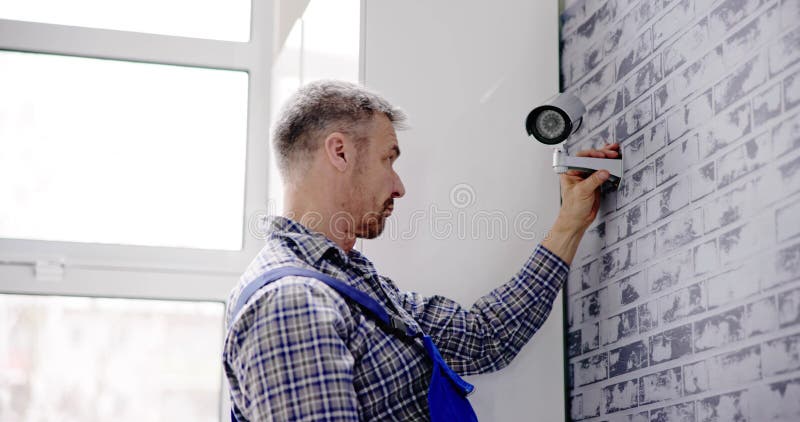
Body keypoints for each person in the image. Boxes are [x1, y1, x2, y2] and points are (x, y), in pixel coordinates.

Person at [222, 80, 620, 421]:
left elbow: (483, 338)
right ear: (339, 152)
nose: (399, 186)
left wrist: (570, 221)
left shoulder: (348, 278)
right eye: (388, 159)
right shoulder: (292, 303)